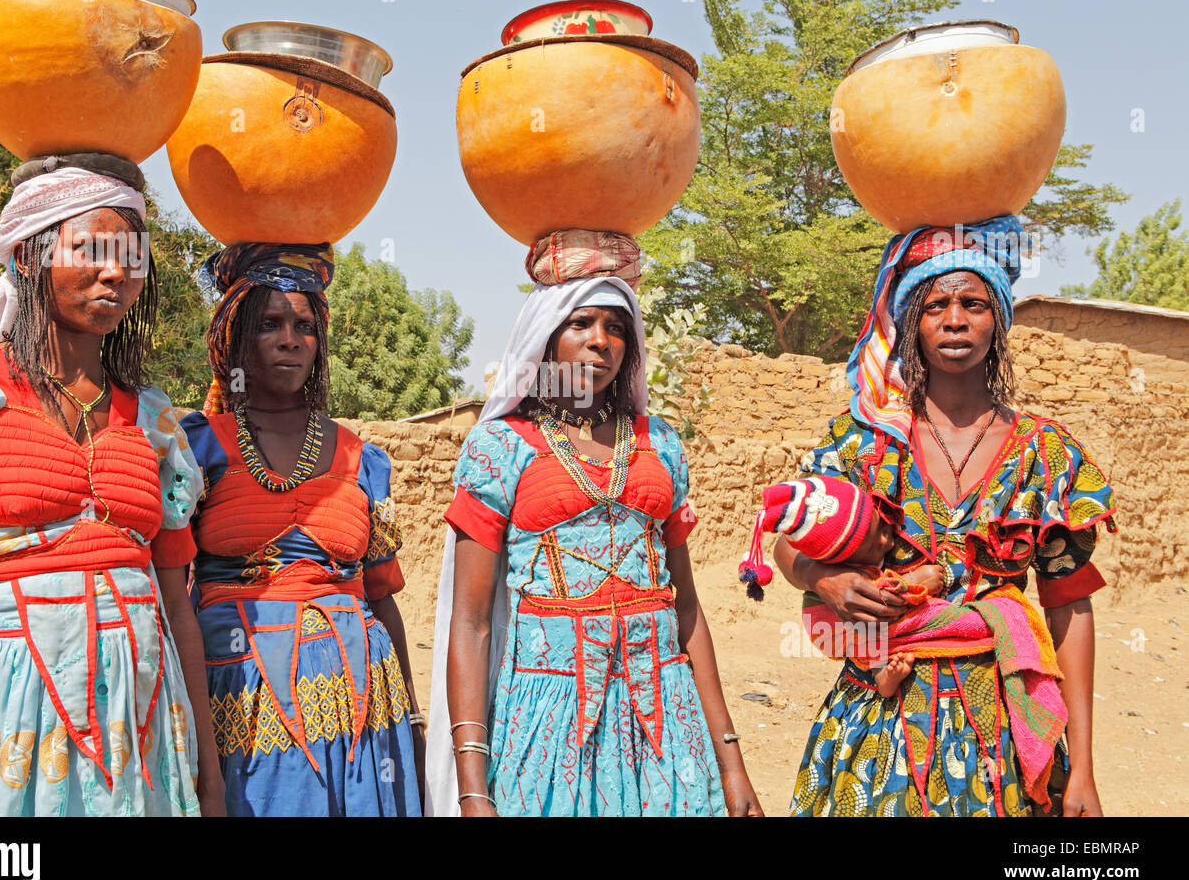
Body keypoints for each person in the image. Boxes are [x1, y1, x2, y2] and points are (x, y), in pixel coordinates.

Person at [0, 165, 222, 816]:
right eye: (91, 248)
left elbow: (177, 610)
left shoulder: (153, 420)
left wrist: (207, 781)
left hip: (140, 728)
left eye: (132, 257)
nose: (116, 272)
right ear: (27, 255)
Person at [778, 217, 1115, 817]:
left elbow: (1068, 604)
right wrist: (822, 579)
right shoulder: (865, 442)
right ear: (912, 322)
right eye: (935, 305)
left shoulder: (1046, 454)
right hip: (879, 719)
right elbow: (789, 542)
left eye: (973, 304)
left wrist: (1084, 767)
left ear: (999, 319)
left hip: (1003, 730)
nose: (954, 319)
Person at [426, 230, 762, 817]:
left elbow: (686, 608)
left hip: (666, 716)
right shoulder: (500, 447)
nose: (600, 341)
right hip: (547, 719)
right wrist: (472, 791)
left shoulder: (660, 444)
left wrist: (732, 766)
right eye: (580, 324)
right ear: (545, 337)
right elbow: (472, 623)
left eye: (616, 327)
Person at [180, 243, 422, 816]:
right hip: (239, 705)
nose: (290, 339)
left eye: (305, 326)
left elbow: (381, 595)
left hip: (365, 709)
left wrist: (413, 720)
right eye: (270, 324)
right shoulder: (197, 447)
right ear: (238, 339)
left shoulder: (361, 459)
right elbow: (172, 593)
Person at [737, 476, 934, 697]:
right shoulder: (849, 572)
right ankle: (881, 674)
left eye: (882, 527)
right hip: (828, 623)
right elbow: (881, 593)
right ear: (844, 561)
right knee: (869, 622)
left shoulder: (852, 533)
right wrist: (913, 581)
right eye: (872, 548)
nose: (886, 541)